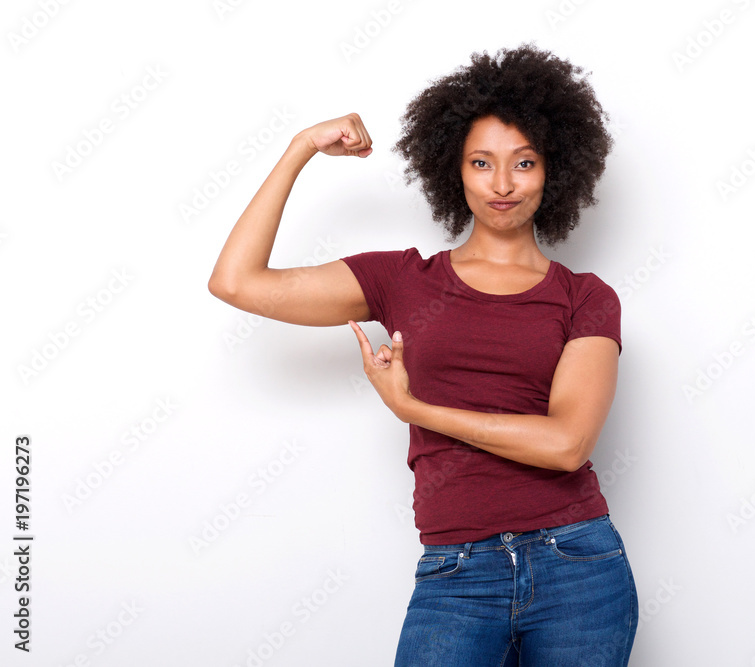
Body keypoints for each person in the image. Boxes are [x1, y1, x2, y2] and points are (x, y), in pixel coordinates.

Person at [209, 43, 638, 666]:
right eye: (481, 162)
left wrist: (416, 408)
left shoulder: (586, 298)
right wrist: (301, 147)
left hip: (578, 564)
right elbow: (236, 282)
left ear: (555, 169)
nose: (501, 184)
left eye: (524, 162)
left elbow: (566, 444)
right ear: (453, 169)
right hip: (457, 572)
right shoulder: (403, 281)